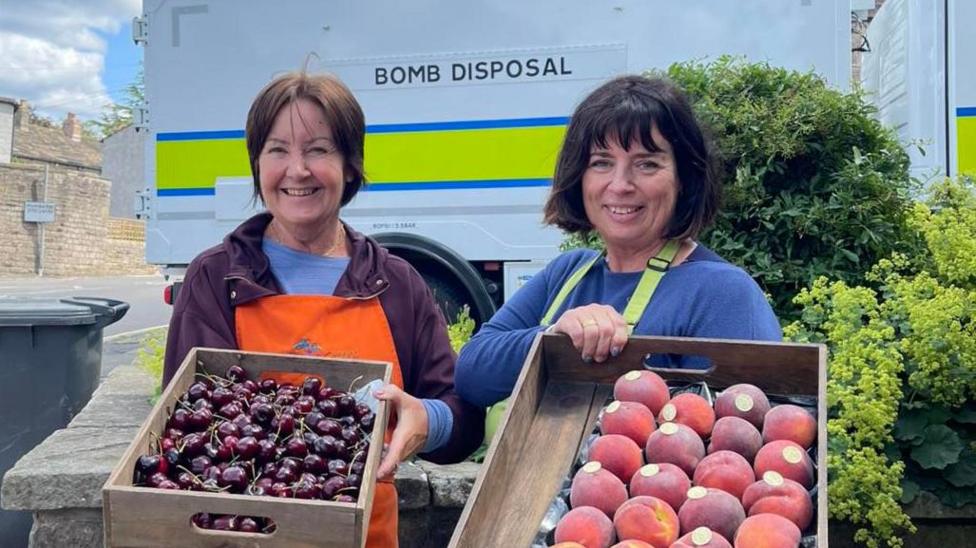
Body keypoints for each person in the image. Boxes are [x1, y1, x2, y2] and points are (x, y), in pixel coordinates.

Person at [162, 71, 484, 546]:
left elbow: (462, 420)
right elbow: (185, 427)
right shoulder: (215, 278)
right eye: (278, 150)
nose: (298, 170)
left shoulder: (397, 284)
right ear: (257, 164)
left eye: (319, 149)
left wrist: (426, 420)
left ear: (350, 166)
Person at [455, 75, 782, 408]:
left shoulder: (722, 293)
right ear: (578, 176)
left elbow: (747, 434)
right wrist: (554, 336)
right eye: (601, 162)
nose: (620, 184)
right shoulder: (568, 274)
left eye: (647, 164)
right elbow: (472, 375)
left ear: (685, 178)